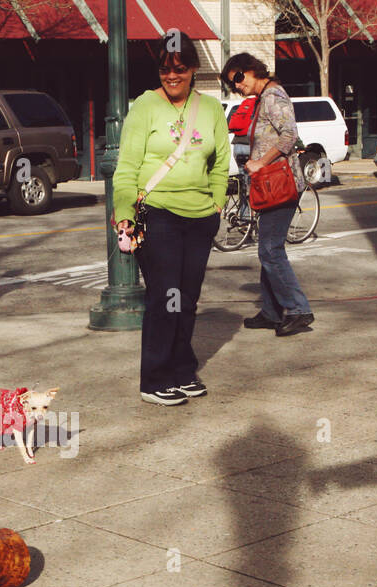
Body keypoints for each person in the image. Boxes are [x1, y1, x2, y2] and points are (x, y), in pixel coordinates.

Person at [114, 32, 228, 406]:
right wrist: (125, 211)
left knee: (188, 298)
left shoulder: (210, 109)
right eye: (165, 69)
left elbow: (221, 162)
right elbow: (127, 166)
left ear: (194, 68)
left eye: (179, 68)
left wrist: (217, 203)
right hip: (158, 213)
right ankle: (154, 379)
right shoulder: (144, 107)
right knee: (165, 296)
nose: (172, 75)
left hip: (200, 217)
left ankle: (182, 369)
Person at [224, 53, 314, 336]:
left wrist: (261, 162)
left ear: (252, 70)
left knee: (270, 250)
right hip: (271, 185)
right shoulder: (265, 97)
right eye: (233, 83)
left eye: (239, 78)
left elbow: (289, 135)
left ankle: (299, 310)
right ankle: (272, 312)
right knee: (268, 247)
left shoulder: (273, 95)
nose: (238, 86)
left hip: (281, 183)